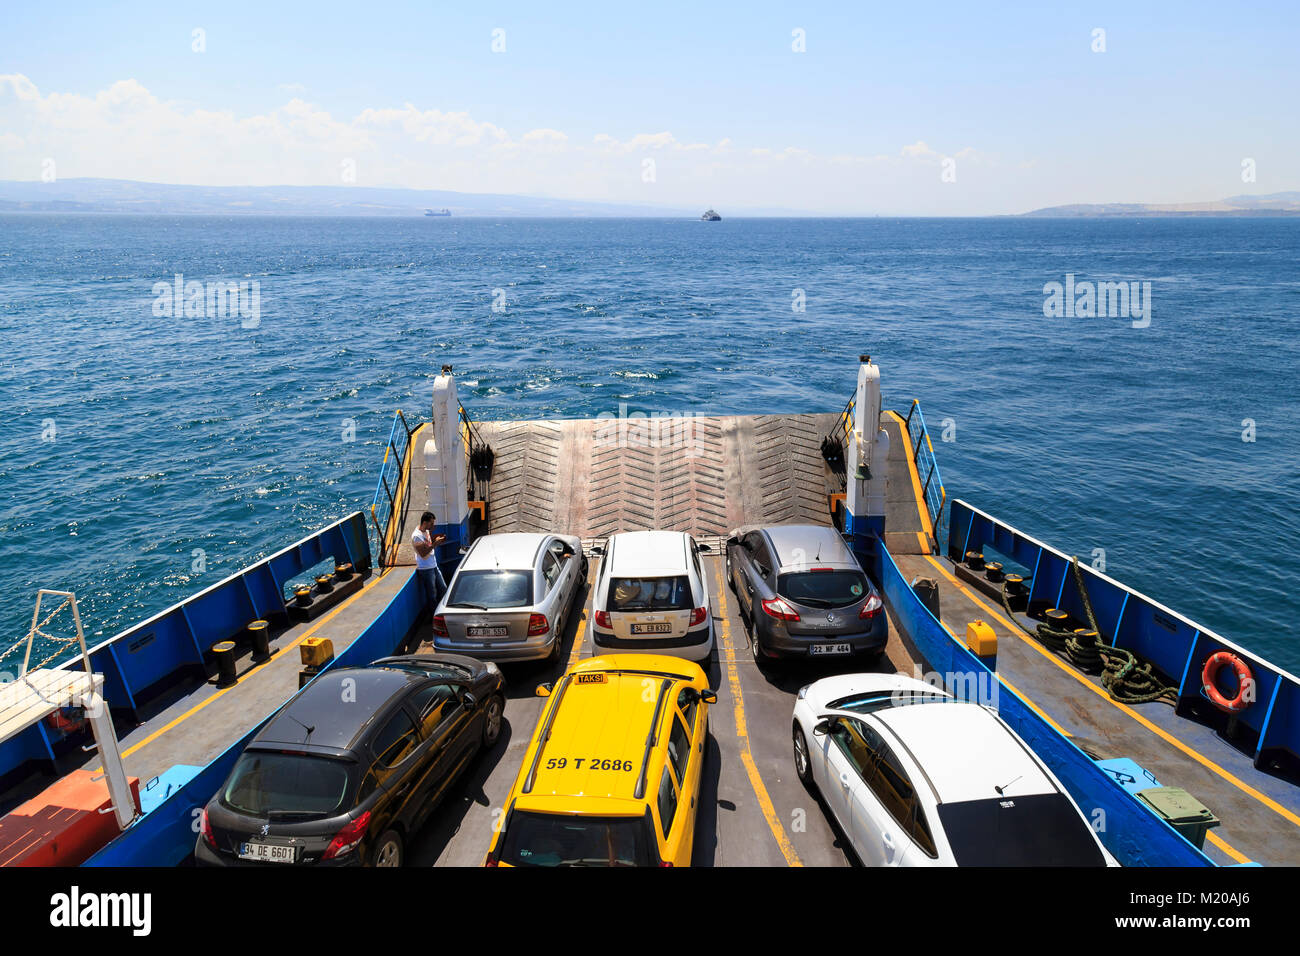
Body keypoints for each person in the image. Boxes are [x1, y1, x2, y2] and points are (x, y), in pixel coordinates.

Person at [412, 511, 448, 618]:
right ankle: (433, 617)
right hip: (426, 569)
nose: (433, 525)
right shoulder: (416, 536)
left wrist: (436, 540)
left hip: (433, 566)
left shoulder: (426, 531)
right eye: (431, 523)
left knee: (443, 589)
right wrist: (435, 544)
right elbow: (423, 553)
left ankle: (440, 611)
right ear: (425, 522)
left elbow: (427, 545)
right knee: (432, 595)